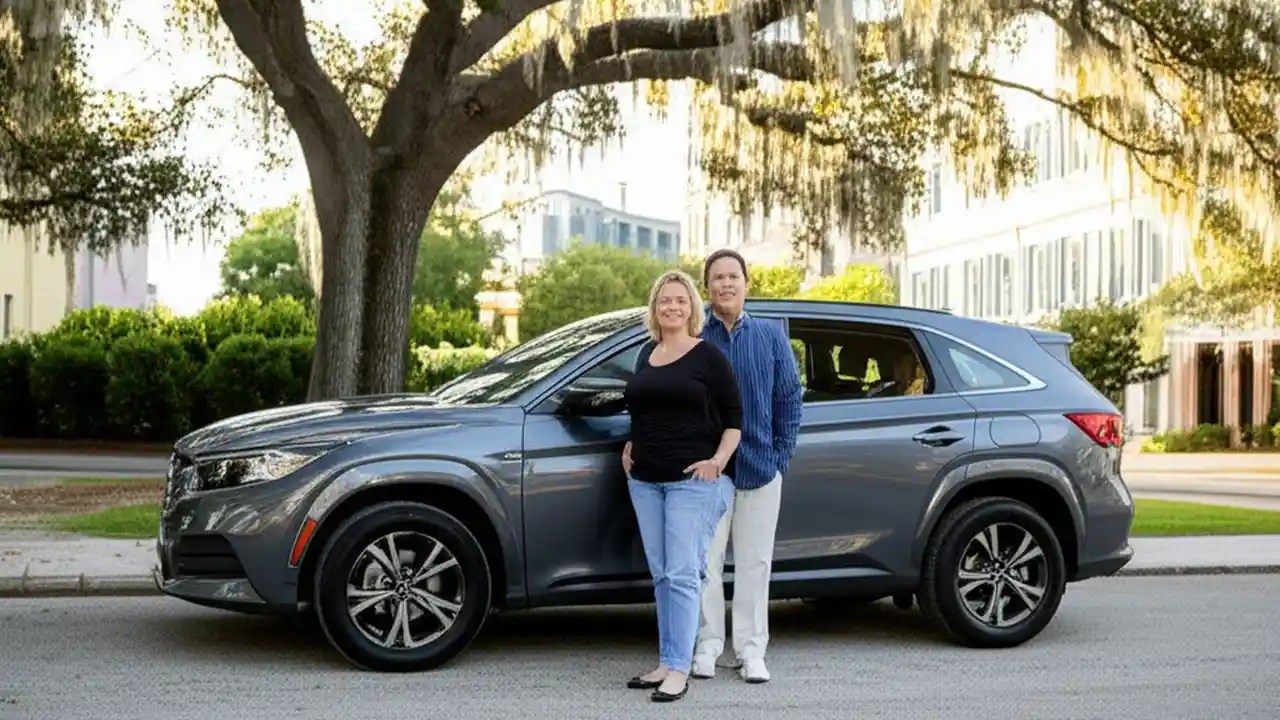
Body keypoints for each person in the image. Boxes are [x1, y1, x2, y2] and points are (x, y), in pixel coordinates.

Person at [621, 269, 743, 703]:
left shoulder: (707, 357)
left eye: (680, 300)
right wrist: (631, 445)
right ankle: (666, 661)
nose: (672, 307)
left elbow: (734, 421)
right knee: (661, 576)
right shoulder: (645, 354)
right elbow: (644, 408)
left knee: (682, 574)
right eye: (664, 301)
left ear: (693, 307)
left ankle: (680, 668)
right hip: (646, 481)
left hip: (692, 483)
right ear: (654, 309)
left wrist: (716, 462)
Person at [693, 248, 803, 684]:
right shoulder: (695, 334)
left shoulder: (772, 336)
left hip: (760, 468)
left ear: (746, 283)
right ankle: (707, 646)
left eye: (733, 276)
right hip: (707, 473)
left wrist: (780, 456)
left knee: (756, 564)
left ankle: (751, 651)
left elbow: (789, 399)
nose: (725, 283)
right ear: (708, 286)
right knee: (705, 562)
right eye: (717, 277)